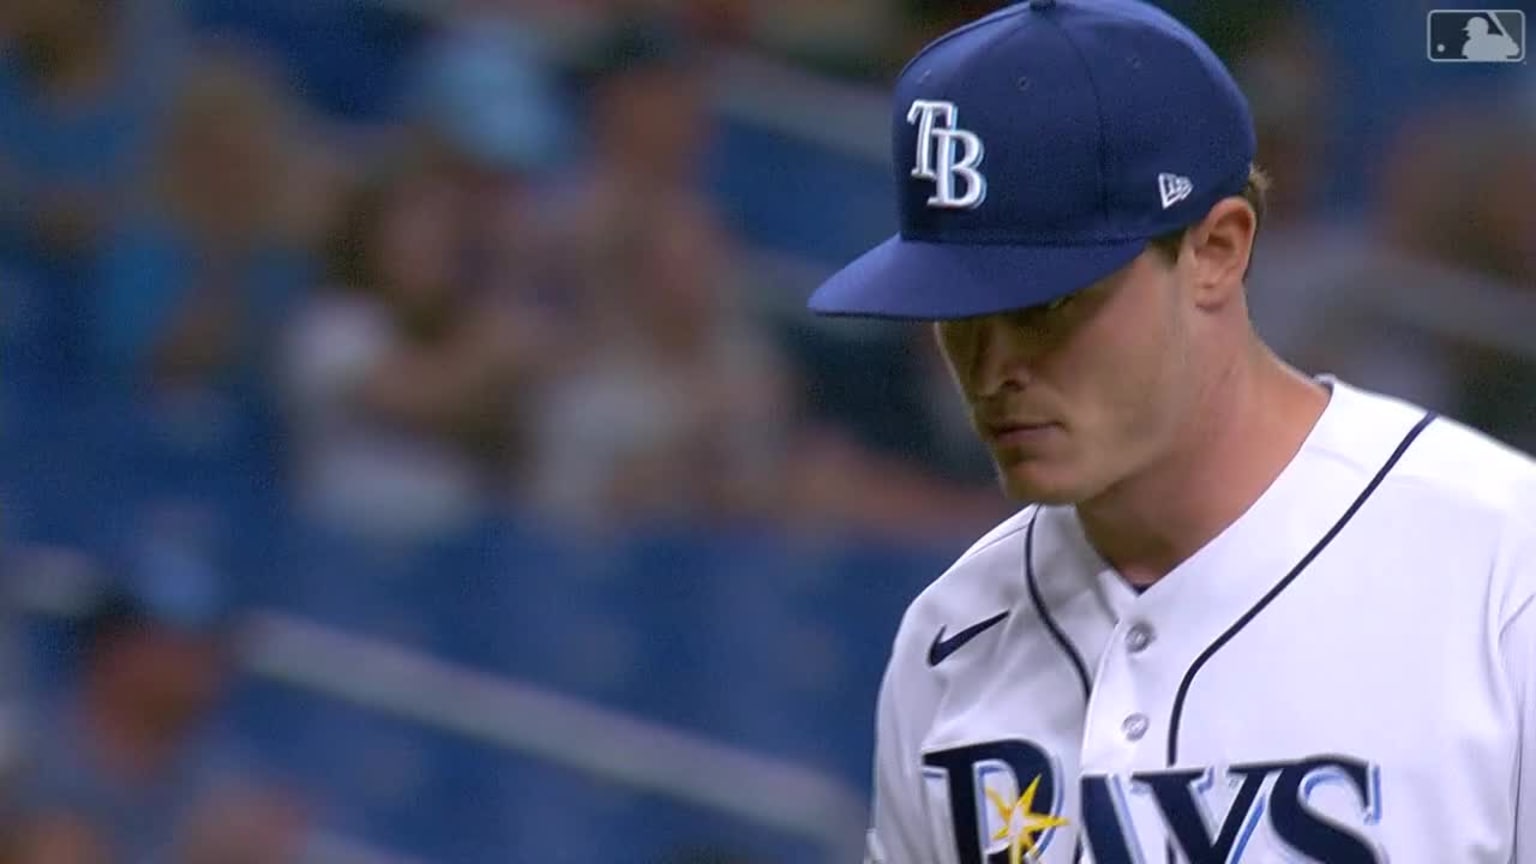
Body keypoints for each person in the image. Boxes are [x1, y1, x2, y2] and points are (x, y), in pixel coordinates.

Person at [805, 1, 1536, 861]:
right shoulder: (951, 638)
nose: (993, 365)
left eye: (1046, 304)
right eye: (958, 311)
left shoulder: (1500, 577)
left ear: (1218, 251)